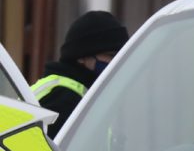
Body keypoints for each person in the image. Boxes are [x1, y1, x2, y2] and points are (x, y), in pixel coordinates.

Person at [31, 10, 129, 138]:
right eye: (111, 55)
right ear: (81, 57)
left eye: (123, 55)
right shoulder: (64, 98)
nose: (116, 62)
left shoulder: (84, 93)